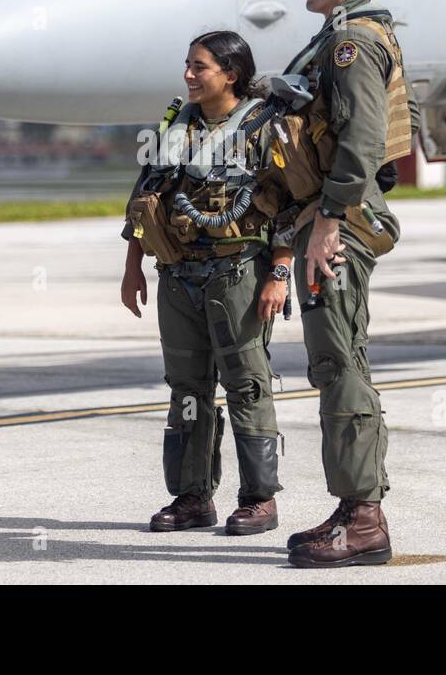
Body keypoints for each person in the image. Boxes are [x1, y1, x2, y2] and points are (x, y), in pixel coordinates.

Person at [278, 0, 414, 568]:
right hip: (336, 213)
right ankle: (354, 507)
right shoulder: (344, 38)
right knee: (339, 359)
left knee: (338, 363)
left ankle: (363, 519)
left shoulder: (352, 44)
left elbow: (362, 143)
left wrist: (329, 219)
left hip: (340, 222)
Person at [120, 31, 291, 535]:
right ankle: (192, 497)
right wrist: (132, 266)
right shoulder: (172, 127)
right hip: (177, 276)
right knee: (187, 388)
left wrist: (279, 273)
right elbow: (143, 199)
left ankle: (260, 499)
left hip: (237, 272)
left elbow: (288, 206)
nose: (189, 76)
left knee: (246, 384)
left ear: (230, 74)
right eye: (188, 66)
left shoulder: (262, 128)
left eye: (200, 68)